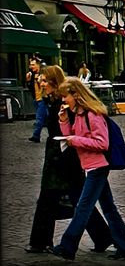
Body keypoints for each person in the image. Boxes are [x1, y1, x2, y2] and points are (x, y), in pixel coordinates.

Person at [51, 77, 125, 261]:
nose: (63, 101)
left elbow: (102, 143)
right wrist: (64, 121)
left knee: (83, 207)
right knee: (108, 208)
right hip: (91, 166)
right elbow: (71, 137)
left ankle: (68, 246)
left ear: (76, 95)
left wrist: (74, 140)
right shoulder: (80, 114)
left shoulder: (92, 114)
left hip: (98, 166)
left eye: (65, 97)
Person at [26, 66, 112, 254]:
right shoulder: (53, 101)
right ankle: (102, 236)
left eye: (44, 80)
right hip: (60, 154)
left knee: (57, 198)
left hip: (65, 156)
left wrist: (68, 136)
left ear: (54, 82)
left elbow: (77, 133)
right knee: (76, 199)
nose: (41, 83)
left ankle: (42, 242)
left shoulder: (64, 102)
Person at [26, 58, 46, 143]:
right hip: (36, 99)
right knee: (44, 118)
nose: (31, 66)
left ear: (38, 65)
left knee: (39, 118)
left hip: (42, 99)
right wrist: (28, 80)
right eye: (30, 65)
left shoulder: (44, 74)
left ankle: (36, 136)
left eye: (33, 64)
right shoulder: (33, 74)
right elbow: (30, 88)